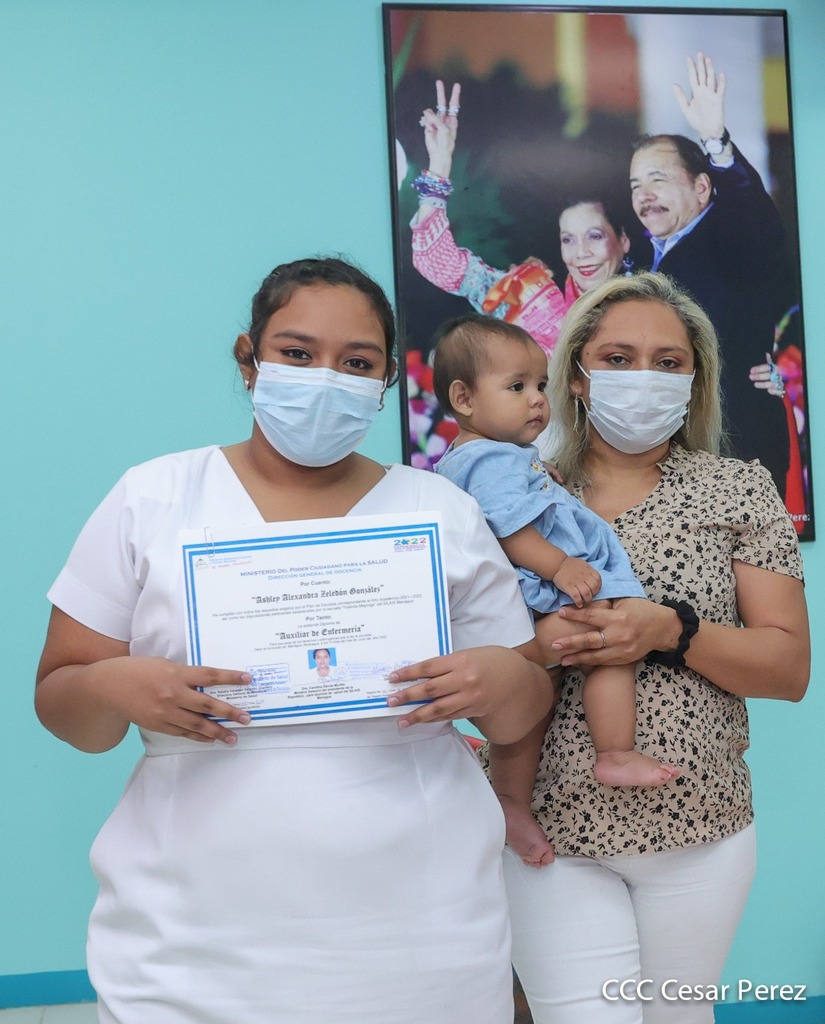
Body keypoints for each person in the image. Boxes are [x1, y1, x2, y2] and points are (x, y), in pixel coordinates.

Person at [34, 257, 555, 1024]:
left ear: (384, 383)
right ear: (248, 359)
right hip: (192, 936)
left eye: (356, 363)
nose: (324, 378)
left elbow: (522, 710)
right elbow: (62, 702)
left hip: (422, 931)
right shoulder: (153, 497)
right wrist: (114, 686)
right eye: (297, 353)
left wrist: (501, 680)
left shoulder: (436, 507)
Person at [492, 271, 809, 1024]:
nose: (643, 377)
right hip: (547, 831)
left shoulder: (737, 489)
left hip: (699, 828)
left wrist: (672, 629)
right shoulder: (517, 497)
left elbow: (786, 669)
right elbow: (478, 665)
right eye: (618, 357)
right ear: (575, 376)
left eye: (668, 363)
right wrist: (544, 645)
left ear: (694, 380)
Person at [432, 313, 678, 862]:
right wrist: (562, 566)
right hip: (543, 585)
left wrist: (544, 482)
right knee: (609, 647)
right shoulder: (491, 458)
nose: (536, 400)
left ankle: (511, 802)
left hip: (518, 603)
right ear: (463, 399)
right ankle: (615, 750)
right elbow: (511, 527)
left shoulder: (482, 459)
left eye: (541, 385)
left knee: (528, 712)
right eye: (516, 387)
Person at [629, 52, 792, 496]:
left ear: (702, 188)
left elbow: (757, 219)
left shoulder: (733, 237)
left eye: (658, 180)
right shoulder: (644, 254)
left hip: (736, 448)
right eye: (636, 186)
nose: (644, 196)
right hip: (665, 457)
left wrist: (715, 141)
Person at [411, 80, 633, 356]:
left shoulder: (651, 306)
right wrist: (440, 165)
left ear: (623, 240)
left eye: (595, 236)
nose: (582, 253)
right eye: (568, 239)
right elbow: (435, 262)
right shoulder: (529, 294)